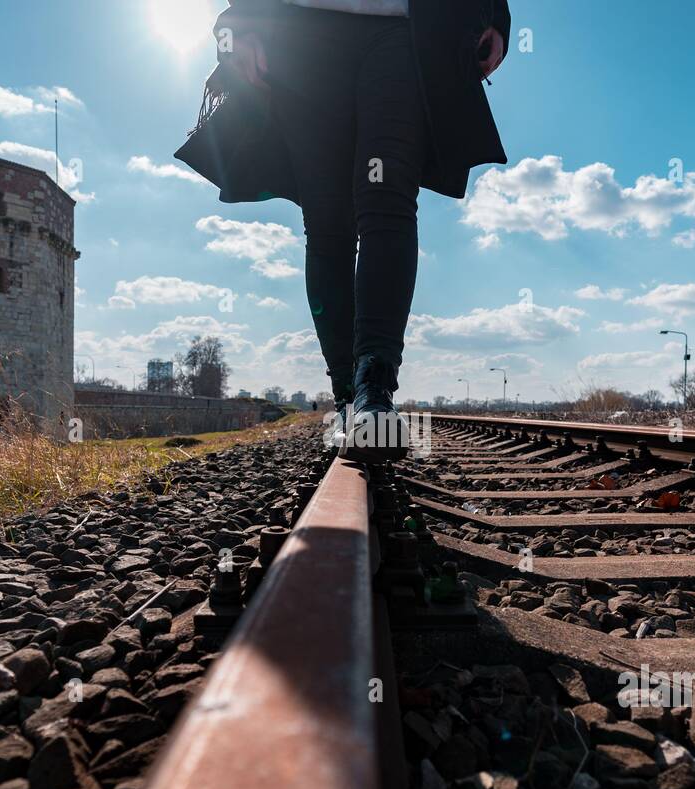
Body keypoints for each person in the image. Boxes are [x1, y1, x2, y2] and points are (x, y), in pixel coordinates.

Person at [178, 0, 511, 460]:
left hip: (406, 29)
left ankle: (374, 386)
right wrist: (239, 23)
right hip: (300, 32)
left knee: (388, 197)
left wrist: (494, 13)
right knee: (327, 218)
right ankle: (347, 395)